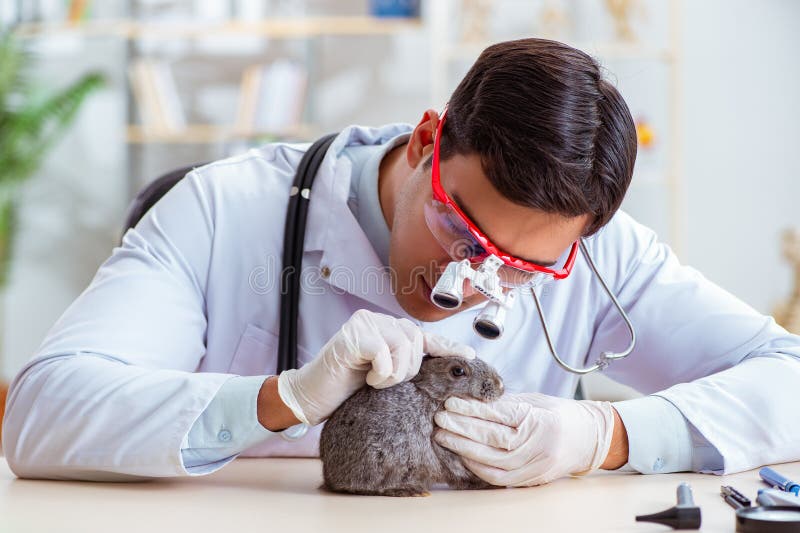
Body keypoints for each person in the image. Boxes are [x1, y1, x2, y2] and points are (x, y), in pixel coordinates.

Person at [3, 38, 799, 484]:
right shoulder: (224, 211)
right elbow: (40, 413)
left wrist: (609, 432)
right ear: (426, 142)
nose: (469, 286)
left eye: (523, 269)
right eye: (464, 236)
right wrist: (277, 399)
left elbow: (788, 375)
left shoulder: (600, 255)